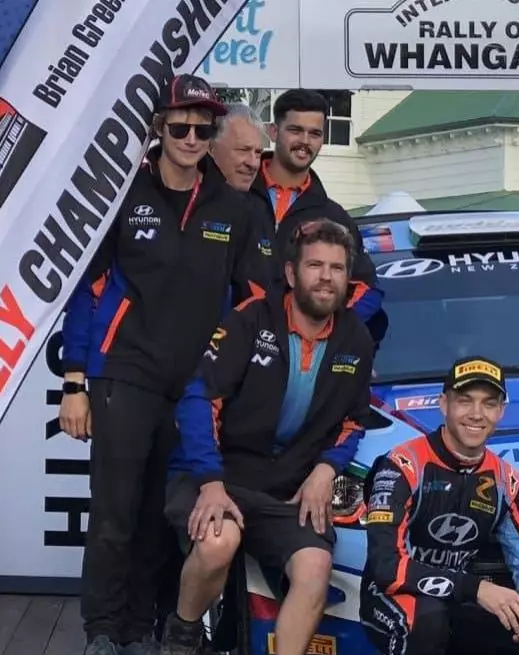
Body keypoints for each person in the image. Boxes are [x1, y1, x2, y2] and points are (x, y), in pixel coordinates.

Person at [58, 73, 270, 655]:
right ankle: (102, 633)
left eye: (203, 129)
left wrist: (231, 368)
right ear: (158, 128)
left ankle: (145, 631)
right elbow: (88, 288)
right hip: (122, 376)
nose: (192, 137)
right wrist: (74, 379)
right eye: (181, 126)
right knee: (113, 516)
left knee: (160, 520)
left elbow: (256, 298)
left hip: (193, 389)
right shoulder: (124, 192)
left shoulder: (234, 206)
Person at [158, 219, 373, 655]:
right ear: (292, 274)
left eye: (335, 267)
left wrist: (326, 469)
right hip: (219, 475)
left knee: (315, 565)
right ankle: (181, 637)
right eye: (315, 265)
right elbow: (198, 399)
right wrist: (211, 483)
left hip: (286, 493)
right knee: (220, 542)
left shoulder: (357, 338)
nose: (326, 277)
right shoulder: (250, 319)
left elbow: (355, 421)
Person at [359, 356, 519, 655]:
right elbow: (386, 567)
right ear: (444, 404)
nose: (476, 414)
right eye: (465, 401)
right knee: (427, 622)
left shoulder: (504, 479)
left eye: (488, 403)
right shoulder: (402, 466)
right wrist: (476, 589)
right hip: (392, 596)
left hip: (457, 599)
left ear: (500, 411)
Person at [252, 89, 383, 326]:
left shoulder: (334, 217)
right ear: (273, 131)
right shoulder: (236, 194)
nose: (305, 141)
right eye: (295, 130)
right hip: (230, 349)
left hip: (301, 356)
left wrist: (322, 330)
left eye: (314, 134)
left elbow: (366, 289)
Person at [211, 103, 266, 192]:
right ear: (211, 149)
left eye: (258, 153)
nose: (253, 164)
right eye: (243, 150)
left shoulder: (262, 204)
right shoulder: (187, 200)